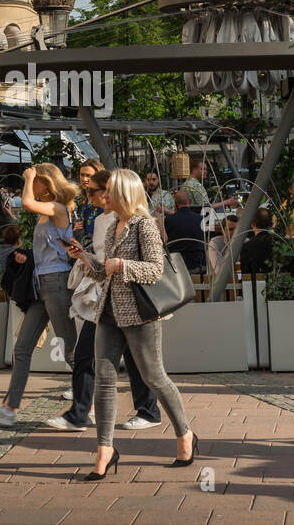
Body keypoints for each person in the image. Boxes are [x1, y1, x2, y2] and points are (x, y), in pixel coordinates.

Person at [64, 169, 199, 480]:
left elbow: (154, 270)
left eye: (109, 191)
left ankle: (185, 435)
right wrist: (85, 258)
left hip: (140, 315)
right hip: (109, 313)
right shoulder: (113, 226)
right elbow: (103, 274)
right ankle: (104, 451)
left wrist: (122, 264)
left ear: (124, 193)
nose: (102, 196)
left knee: (155, 378)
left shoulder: (145, 225)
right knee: (104, 382)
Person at [0, 163, 79, 427]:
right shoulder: (46, 213)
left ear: (46, 183)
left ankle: (88, 401)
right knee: (22, 348)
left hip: (56, 283)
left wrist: (29, 176)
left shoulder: (58, 208)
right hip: (41, 284)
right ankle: (9, 408)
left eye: (35, 181)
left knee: (71, 348)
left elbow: (26, 202)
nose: (31, 185)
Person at [48, 169, 113, 431]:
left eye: (92, 190)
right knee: (87, 355)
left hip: (123, 300)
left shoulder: (130, 219)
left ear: (108, 191)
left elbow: (150, 265)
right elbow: (100, 263)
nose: (88, 194)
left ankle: (162, 417)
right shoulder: (98, 221)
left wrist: (117, 265)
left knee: (147, 368)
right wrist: (83, 256)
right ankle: (81, 413)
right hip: (102, 295)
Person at [163, 188, 206, 274]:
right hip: (197, 264)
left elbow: (165, 240)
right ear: (189, 201)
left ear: (176, 203)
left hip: (176, 264)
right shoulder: (200, 219)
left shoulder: (168, 220)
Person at [73, 159, 104, 244]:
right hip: (84, 251)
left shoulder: (104, 202)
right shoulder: (82, 201)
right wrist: (76, 229)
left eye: (88, 176)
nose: (84, 179)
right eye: (82, 175)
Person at [239, 208, 276, 277]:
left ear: (253, 223)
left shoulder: (248, 246)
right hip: (280, 283)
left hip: (255, 284)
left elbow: (245, 273)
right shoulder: (279, 243)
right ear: (271, 224)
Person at [145, 170, 176, 240]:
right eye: (148, 179)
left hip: (169, 231)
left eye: (154, 179)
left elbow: (176, 212)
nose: (151, 182)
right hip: (151, 233)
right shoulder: (142, 197)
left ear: (158, 180)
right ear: (145, 181)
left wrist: (167, 211)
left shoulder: (166, 195)